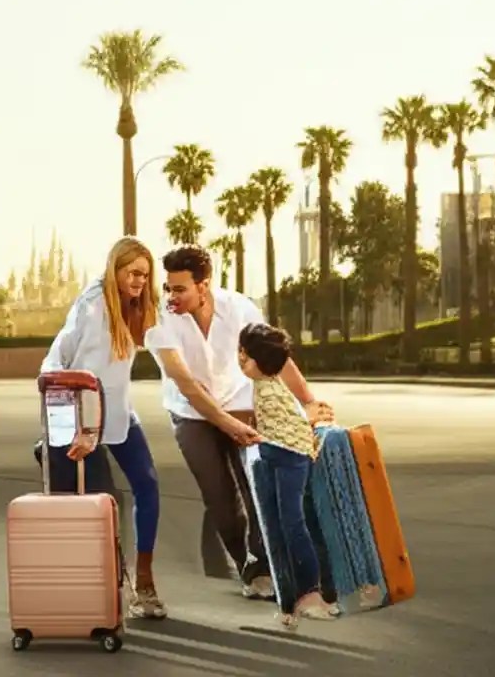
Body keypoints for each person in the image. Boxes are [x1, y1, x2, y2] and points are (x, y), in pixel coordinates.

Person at [143, 245, 333, 600]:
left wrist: (307, 400)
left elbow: (275, 358)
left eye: (179, 288)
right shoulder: (160, 318)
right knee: (221, 500)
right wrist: (227, 425)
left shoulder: (239, 308)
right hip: (192, 414)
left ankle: (265, 564)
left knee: (257, 486)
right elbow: (187, 386)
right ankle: (247, 565)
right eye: (167, 287)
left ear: (204, 285)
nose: (171, 296)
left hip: (240, 402)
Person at [39, 236, 167, 619]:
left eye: (145, 275)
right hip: (78, 414)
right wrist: (79, 429)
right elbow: (74, 373)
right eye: (133, 273)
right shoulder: (95, 309)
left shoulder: (132, 306)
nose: (140, 281)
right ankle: (108, 589)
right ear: (115, 269)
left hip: (117, 412)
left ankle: (144, 581)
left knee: (147, 484)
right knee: (101, 507)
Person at [238, 322, 337, 621]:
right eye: (240, 351)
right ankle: (296, 597)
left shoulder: (270, 392)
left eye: (247, 354)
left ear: (264, 361)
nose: (240, 358)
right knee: (282, 525)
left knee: (292, 524)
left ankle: (311, 594)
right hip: (279, 457)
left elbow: (295, 425)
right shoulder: (265, 383)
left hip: (290, 458)